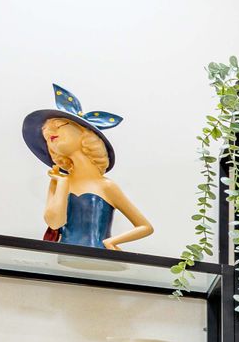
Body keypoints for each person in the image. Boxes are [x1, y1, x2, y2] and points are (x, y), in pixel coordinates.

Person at [21, 84, 153, 250]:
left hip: (98, 259)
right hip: (63, 259)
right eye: (47, 136)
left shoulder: (106, 186)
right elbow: (55, 221)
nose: (49, 133)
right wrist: (61, 184)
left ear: (86, 133)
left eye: (59, 126)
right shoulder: (58, 181)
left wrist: (110, 242)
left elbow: (145, 227)